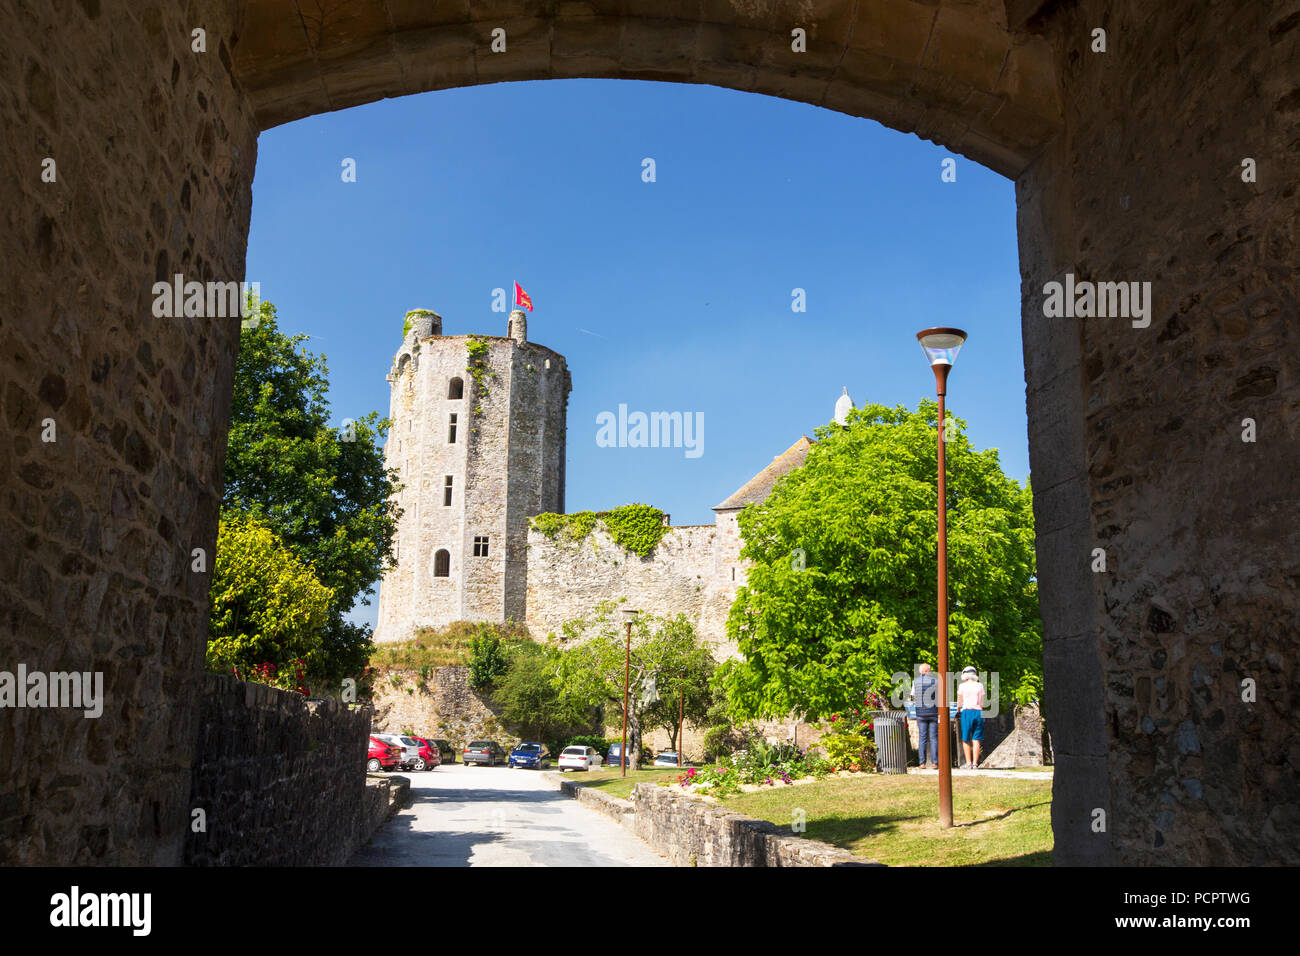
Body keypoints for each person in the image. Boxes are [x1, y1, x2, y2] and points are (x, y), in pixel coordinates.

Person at [910, 663, 940, 769]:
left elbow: (913, 696)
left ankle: (922, 763)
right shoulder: (936, 681)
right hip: (933, 713)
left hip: (921, 713)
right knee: (934, 738)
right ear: (928, 671)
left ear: (921, 671)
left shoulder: (915, 682)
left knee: (922, 738)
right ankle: (935, 763)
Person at [956, 666, 986, 769]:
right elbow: (982, 702)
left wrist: (958, 710)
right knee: (976, 739)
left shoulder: (962, 686)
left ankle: (968, 763)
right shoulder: (980, 685)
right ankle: (975, 763)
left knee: (965, 738)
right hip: (978, 712)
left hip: (966, 712)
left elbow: (959, 702)